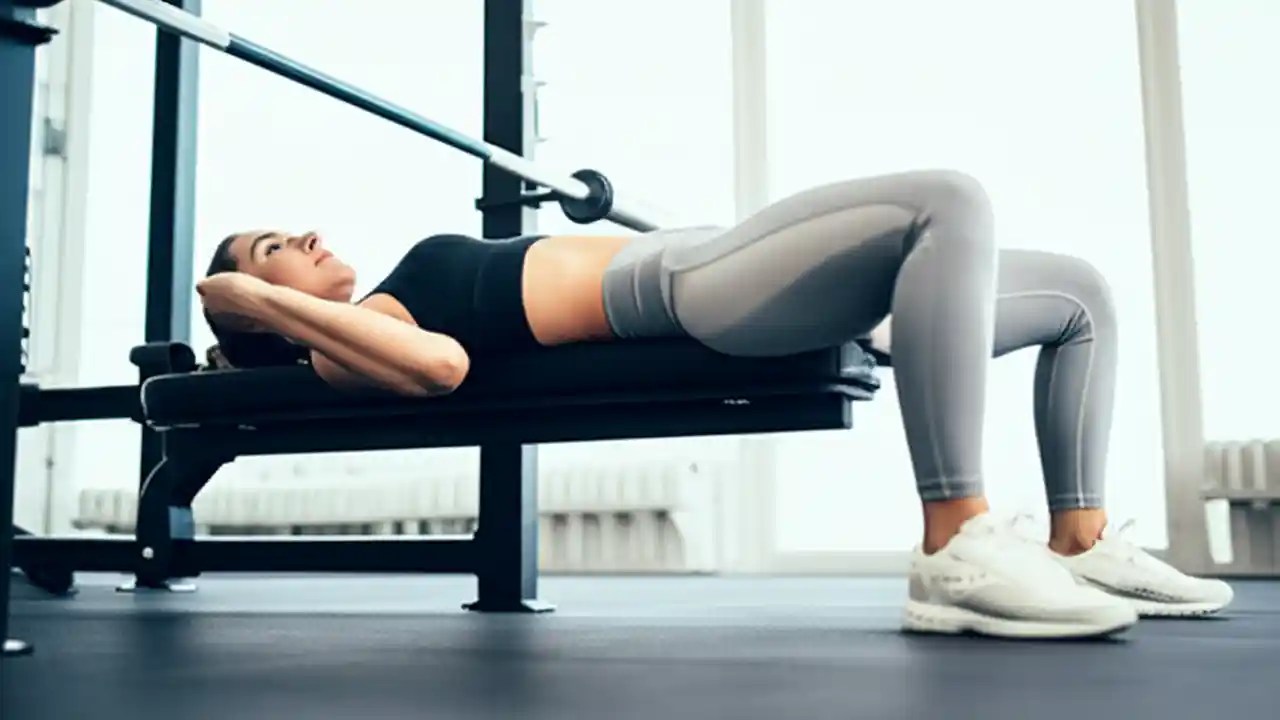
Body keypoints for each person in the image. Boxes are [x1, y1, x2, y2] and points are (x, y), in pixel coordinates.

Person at [197, 170, 1233, 639]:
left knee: (1077, 296)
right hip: (689, 294)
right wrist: (244, 297)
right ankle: (953, 544)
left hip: (718, 263)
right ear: (269, 315)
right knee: (946, 199)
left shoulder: (382, 295)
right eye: (274, 246)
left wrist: (264, 282)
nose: (304, 235)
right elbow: (439, 373)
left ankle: (1078, 539)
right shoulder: (355, 339)